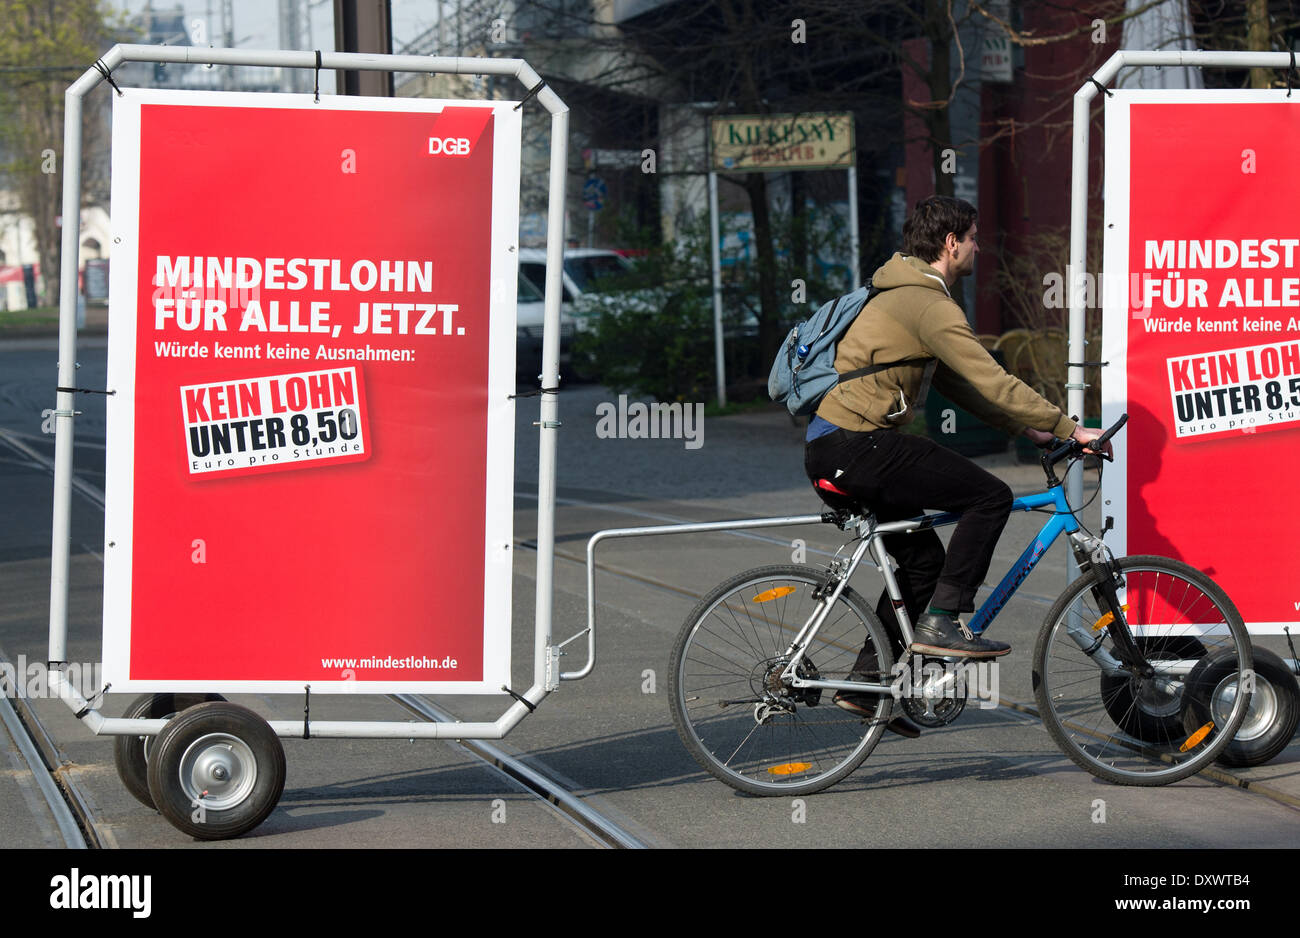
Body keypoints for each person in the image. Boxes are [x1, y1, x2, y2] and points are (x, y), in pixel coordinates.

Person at [804, 195, 1108, 731]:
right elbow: (992, 377)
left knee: (922, 564)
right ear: (951, 243)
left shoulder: (903, 292)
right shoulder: (929, 303)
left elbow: (960, 386)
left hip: (836, 447)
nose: (978, 246)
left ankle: (870, 686)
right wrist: (1067, 427)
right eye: (973, 237)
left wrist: (1030, 429)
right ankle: (943, 622)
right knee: (989, 496)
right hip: (858, 445)